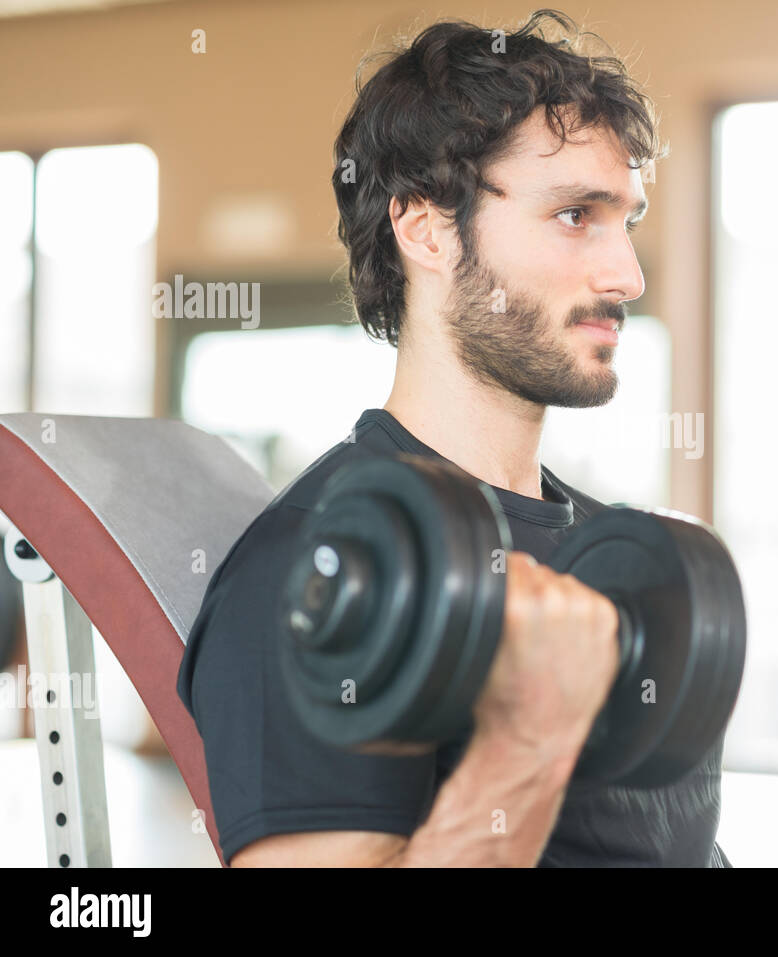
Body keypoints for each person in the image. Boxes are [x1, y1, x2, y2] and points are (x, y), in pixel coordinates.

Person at [176, 9, 731, 868]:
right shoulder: (320, 570)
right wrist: (530, 738)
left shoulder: (608, 550)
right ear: (426, 230)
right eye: (575, 214)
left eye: (626, 221)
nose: (627, 274)